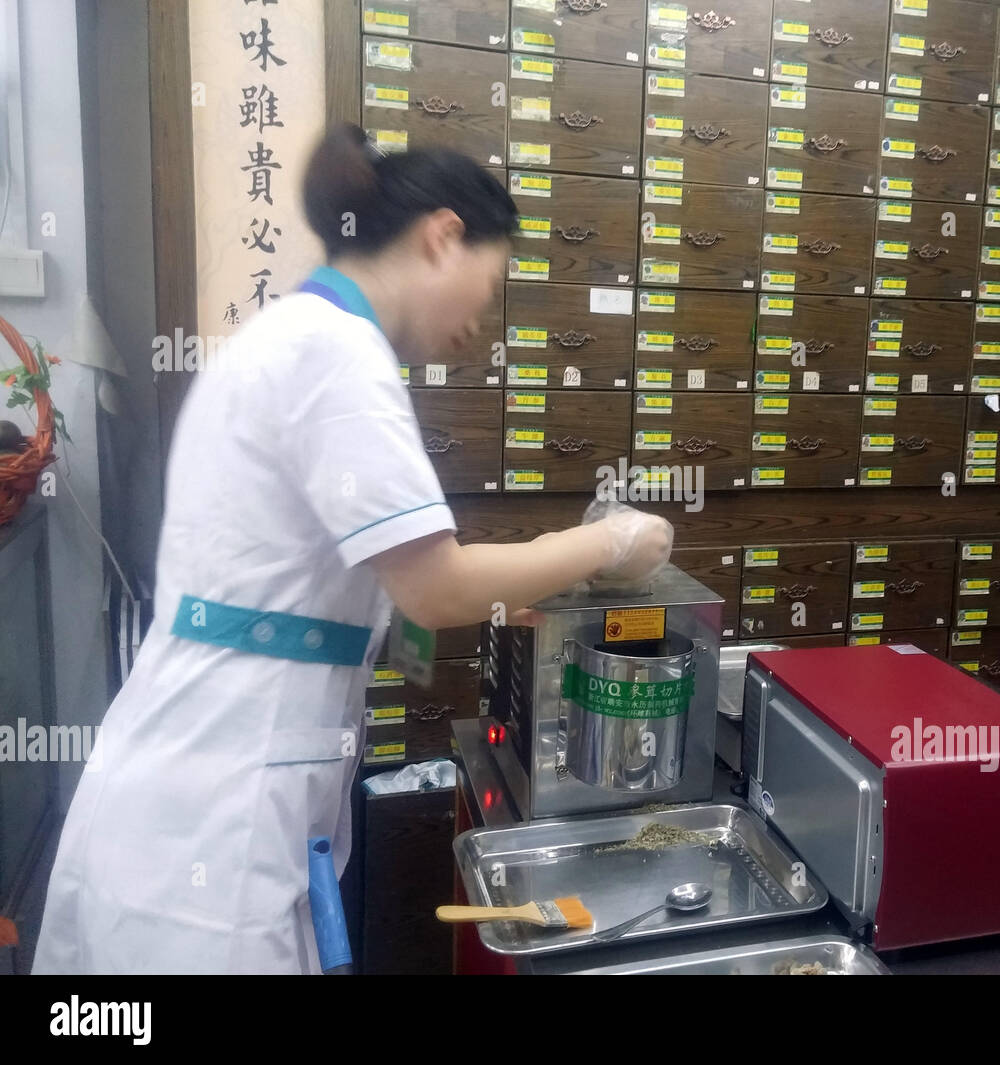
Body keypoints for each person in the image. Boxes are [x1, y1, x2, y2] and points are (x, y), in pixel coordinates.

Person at [33, 124, 671, 974]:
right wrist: (604, 538)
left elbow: (376, 580)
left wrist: (492, 588)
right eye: (491, 284)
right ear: (443, 237)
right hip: (214, 830)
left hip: (200, 786)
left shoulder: (297, 334)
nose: (481, 321)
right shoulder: (336, 353)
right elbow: (434, 587)